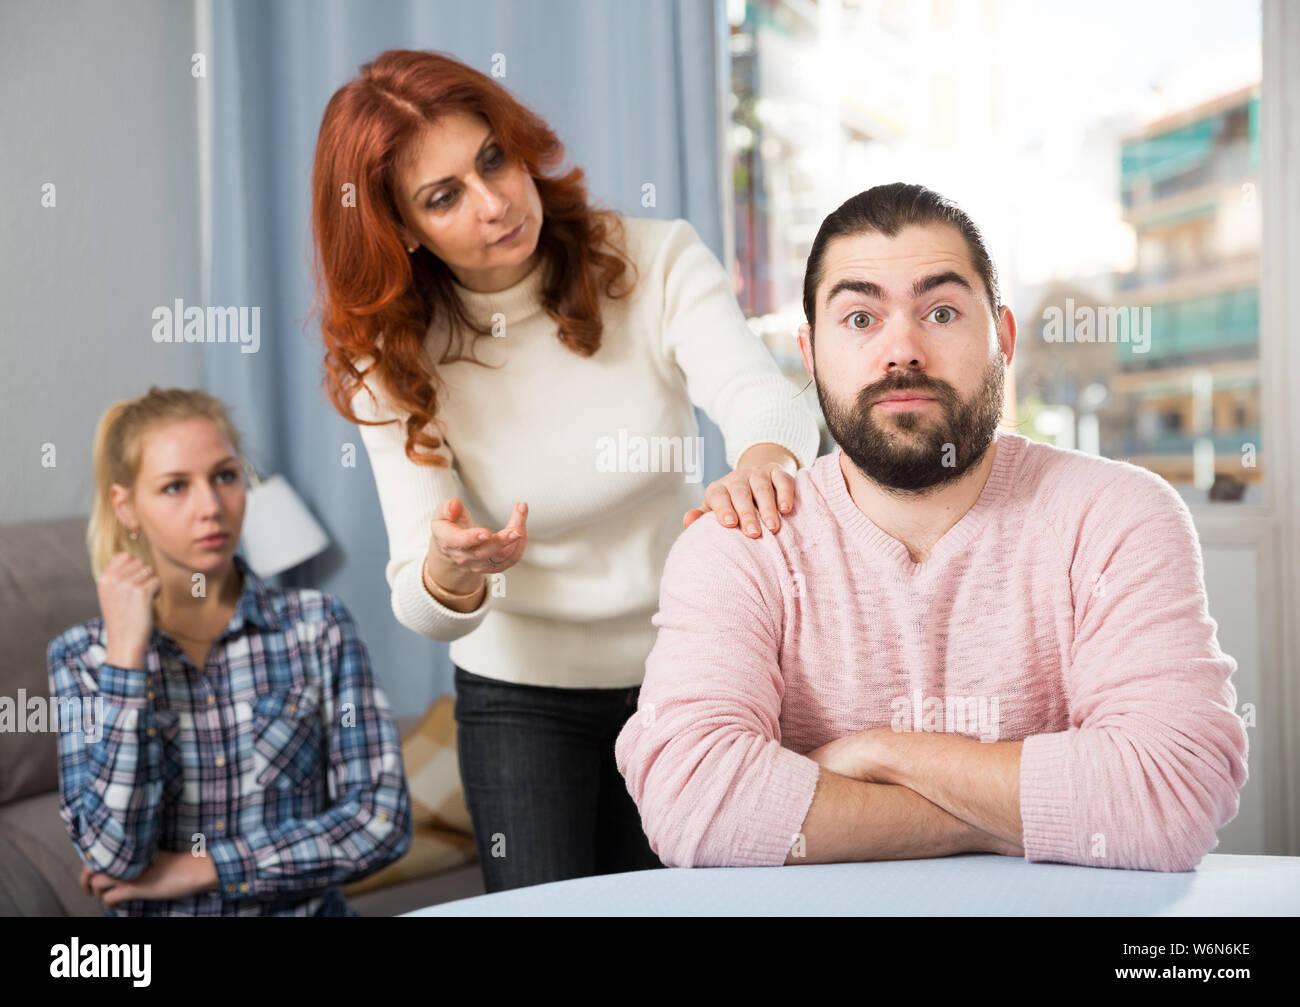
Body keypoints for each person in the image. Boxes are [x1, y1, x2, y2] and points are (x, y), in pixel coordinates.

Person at [616, 182, 1249, 873]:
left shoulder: (1119, 516)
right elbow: (696, 807)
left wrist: (882, 753)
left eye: (941, 312)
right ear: (810, 353)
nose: (902, 351)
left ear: (1002, 337)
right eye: (860, 320)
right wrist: (1018, 814)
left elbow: (1169, 797)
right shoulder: (740, 541)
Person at [311, 49, 821, 892]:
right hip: (519, 698)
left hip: (686, 670)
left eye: (493, 160)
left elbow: (761, 400)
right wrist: (451, 569)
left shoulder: (653, 261)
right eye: (444, 197)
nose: (497, 202)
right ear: (401, 228)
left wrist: (762, 461)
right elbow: (419, 597)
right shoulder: (388, 356)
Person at [47, 387, 411, 916]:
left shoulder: (318, 626)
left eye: (225, 476)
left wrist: (207, 868)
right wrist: (126, 659)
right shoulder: (82, 656)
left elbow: (382, 823)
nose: (212, 507)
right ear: (127, 507)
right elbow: (113, 856)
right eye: (175, 487)